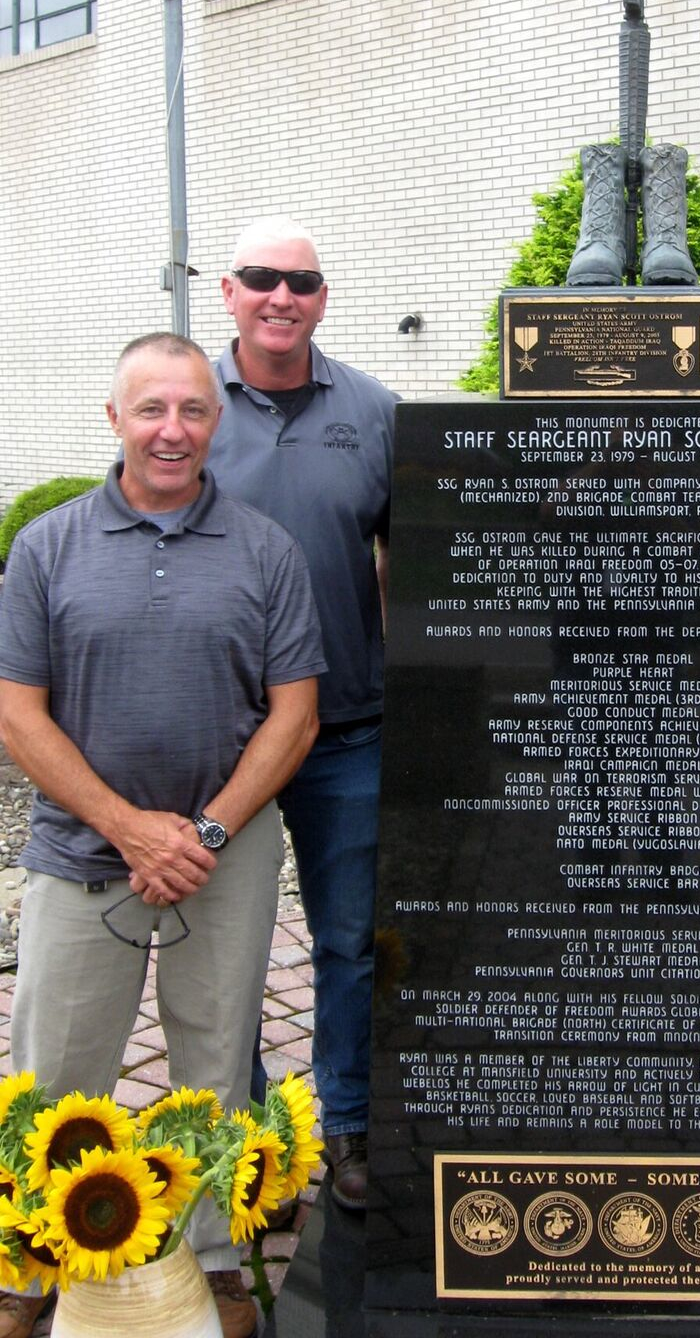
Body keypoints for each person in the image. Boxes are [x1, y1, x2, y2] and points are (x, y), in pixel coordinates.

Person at [0, 334, 325, 1338]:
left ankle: (216, 1258)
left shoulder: (267, 549)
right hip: (80, 855)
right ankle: (33, 1256)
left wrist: (208, 833)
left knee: (216, 1067)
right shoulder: (46, 545)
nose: (173, 430)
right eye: (151, 410)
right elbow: (17, 712)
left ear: (213, 421)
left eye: (191, 410)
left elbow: (295, 713)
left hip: (222, 862)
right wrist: (130, 829)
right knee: (55, 1069)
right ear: (114, 419)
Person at [205, 217, 396, 1211]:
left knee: (351, 941)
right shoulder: (190, 408)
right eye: (261, 278)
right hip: (220, 740)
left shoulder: (372, 409)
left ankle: (351, 1124)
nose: (282, 296)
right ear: (227, 291)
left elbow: (414, 558)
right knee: (221, 945)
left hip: (347, 731)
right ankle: (241, 1136)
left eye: (304, 282)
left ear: (324, 297)